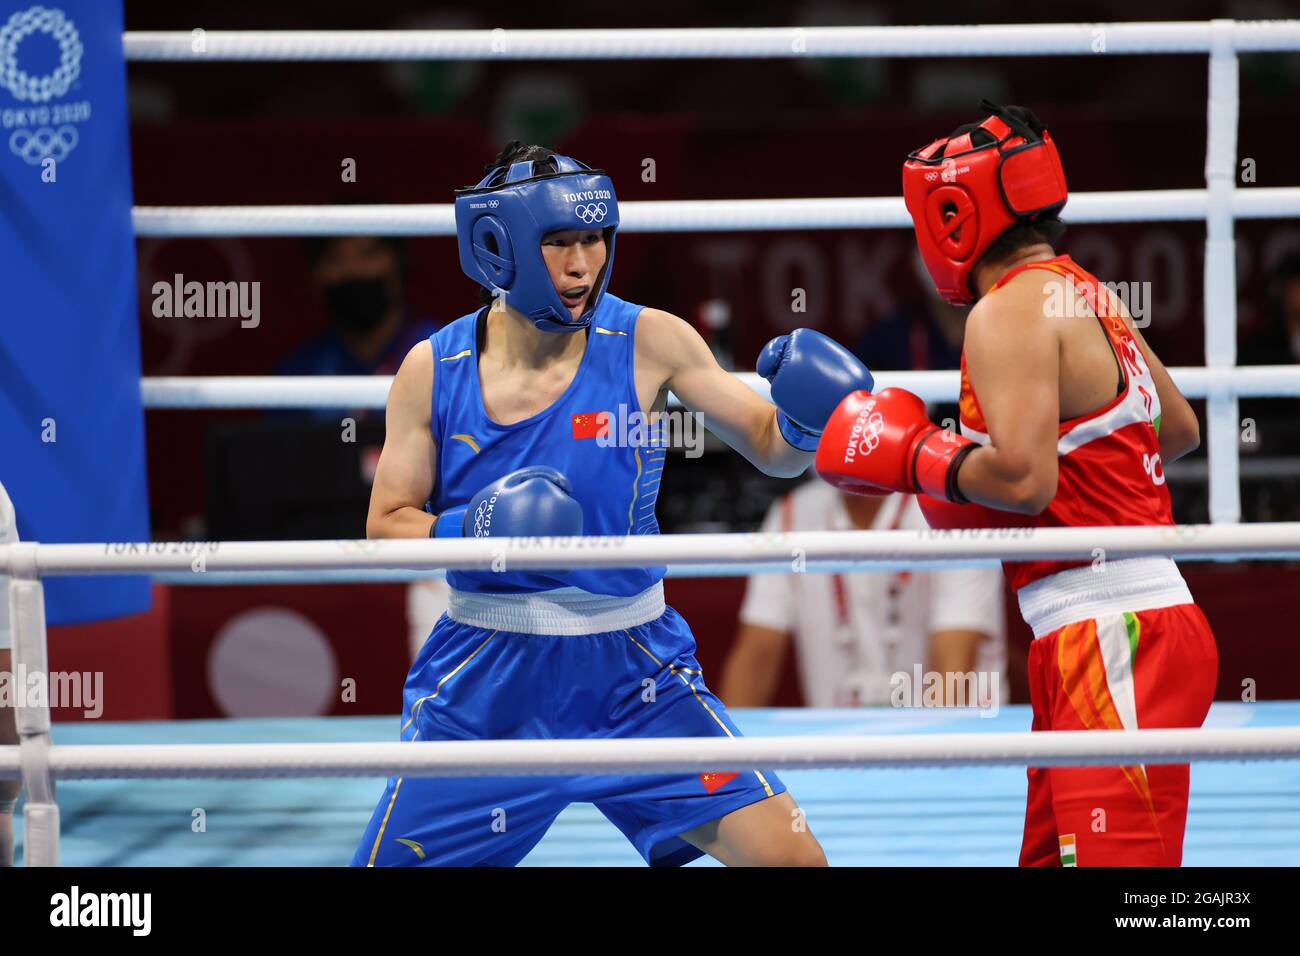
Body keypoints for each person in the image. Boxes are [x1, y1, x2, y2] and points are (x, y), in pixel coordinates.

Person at [352, 141, 876, 867]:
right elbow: (386, 524)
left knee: (795, 862)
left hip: (636, 676)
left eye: (595, 238)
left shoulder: (649, 339)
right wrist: (473, 530)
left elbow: (770, 448)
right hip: (487, 681)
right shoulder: (433, 368)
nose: (582, 265)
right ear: (500, 246)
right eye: (559, 242)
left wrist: (807, 422)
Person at [815, 102, 1216, 866]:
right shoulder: (1084, 290)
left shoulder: (1005, 311)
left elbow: (1026, 482)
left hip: (1111, 630)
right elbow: (1177, 429)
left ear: (952, 216)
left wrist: (919, 455)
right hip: (1106, 626)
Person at [720, 482, 1004, 708]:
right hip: (837, 749)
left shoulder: (949, 510)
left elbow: (953, 673)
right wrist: (725, 758)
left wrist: (917, 760)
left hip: (957, 744)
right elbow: (756, 659)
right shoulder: (792, 514)